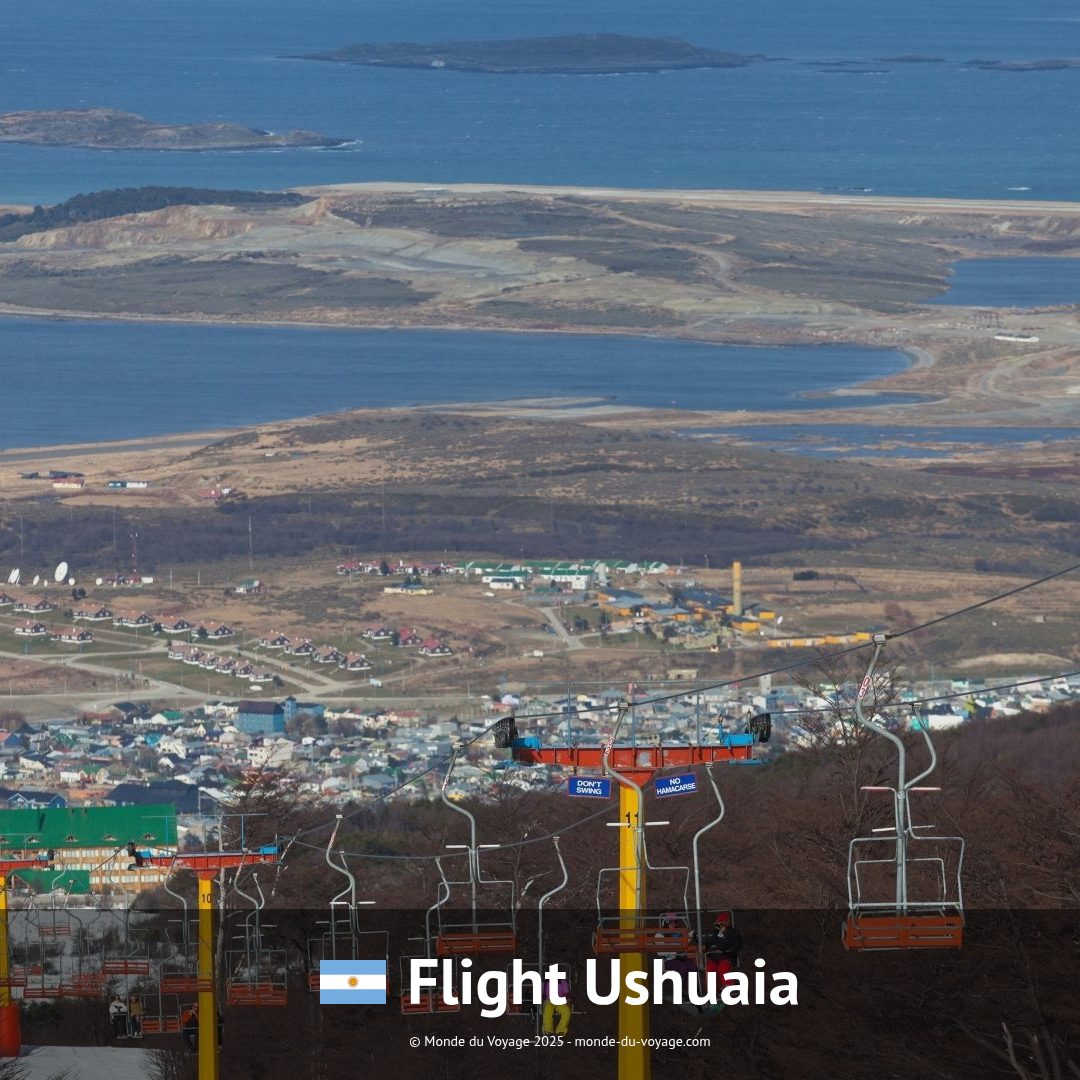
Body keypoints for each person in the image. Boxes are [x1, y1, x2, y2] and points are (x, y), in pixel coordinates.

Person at [704, 912, 743, 979]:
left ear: (725, 924)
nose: (717, 926)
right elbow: (710, 943)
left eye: (719, 924)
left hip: (727, 956)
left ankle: (727, 986)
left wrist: (724, 933)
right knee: (710, 969)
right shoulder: (715, 933)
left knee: (723, 968)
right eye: (717, 924)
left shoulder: (733, 933)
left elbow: (735, 944)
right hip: (714, 957)